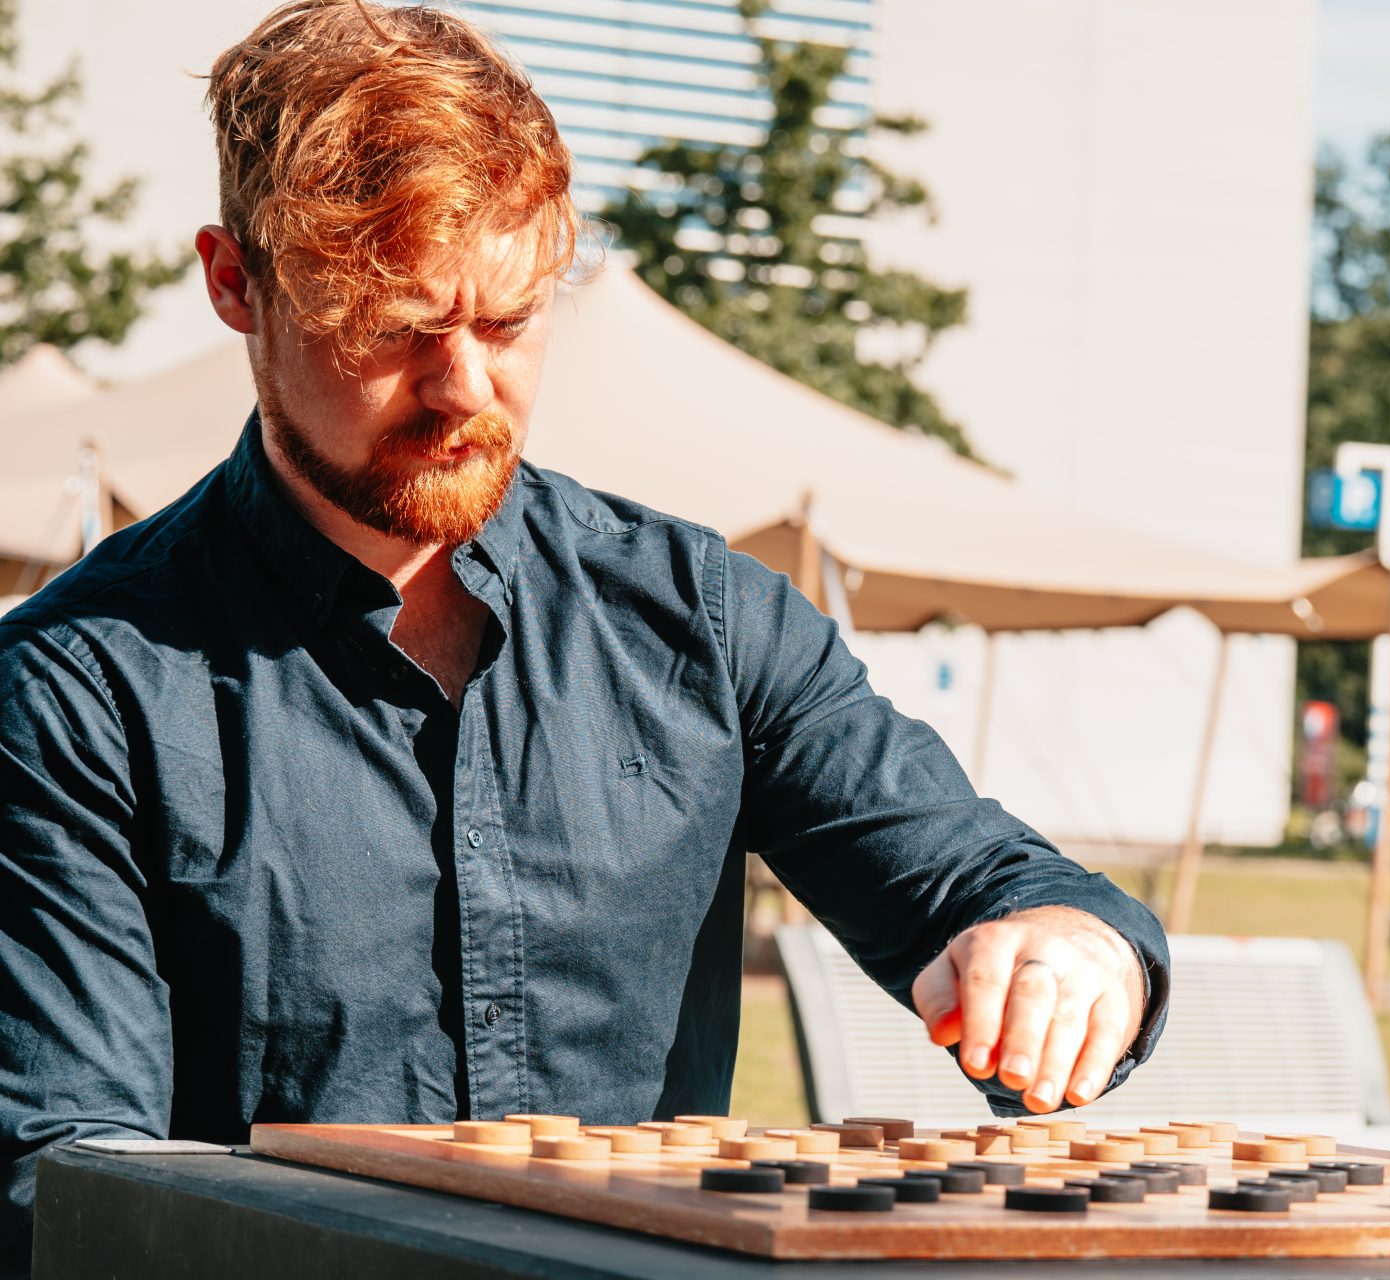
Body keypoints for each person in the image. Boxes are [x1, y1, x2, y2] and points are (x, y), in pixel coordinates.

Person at [0, 2, 1169, 1269]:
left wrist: (1066, 947)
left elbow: (982, 883)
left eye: (507, 323)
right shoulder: (77, 693)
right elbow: (69, 1188)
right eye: (393, 330)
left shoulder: (705, 621)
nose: (463, 389)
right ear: (237, 283)